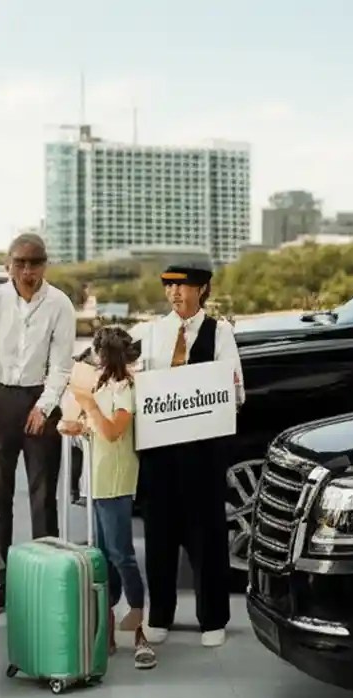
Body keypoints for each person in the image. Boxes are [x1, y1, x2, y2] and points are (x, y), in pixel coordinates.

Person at [130, 264, 244, 648]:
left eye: (183, 287)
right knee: (160, 533)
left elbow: (237, 391)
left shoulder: (221, 333)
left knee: (207, 534)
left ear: (202, 289)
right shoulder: (151, 333)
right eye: (170, 287)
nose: (175, 294)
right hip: (160, 454)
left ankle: (213, 618)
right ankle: (159, 613)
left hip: (203, 452)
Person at [0, 233, 76, 615]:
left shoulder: (60, 304)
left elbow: (62, 364)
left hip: (40, 402)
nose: (28, 270)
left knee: (43, 496)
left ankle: (46, 578)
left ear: (45, 264)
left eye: (35, 263)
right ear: (7, 265)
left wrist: (45, 407)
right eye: (21, 263)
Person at [62, 326, 157, 670]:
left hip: (115, 480)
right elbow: (89, 426)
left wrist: (87, 405)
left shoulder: (126, 388)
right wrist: (76, 421)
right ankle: (107, 627)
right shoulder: (98, 386)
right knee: (102, 555)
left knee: (121, 554)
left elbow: (113, 431)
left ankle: (140, 627)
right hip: (95, 479)